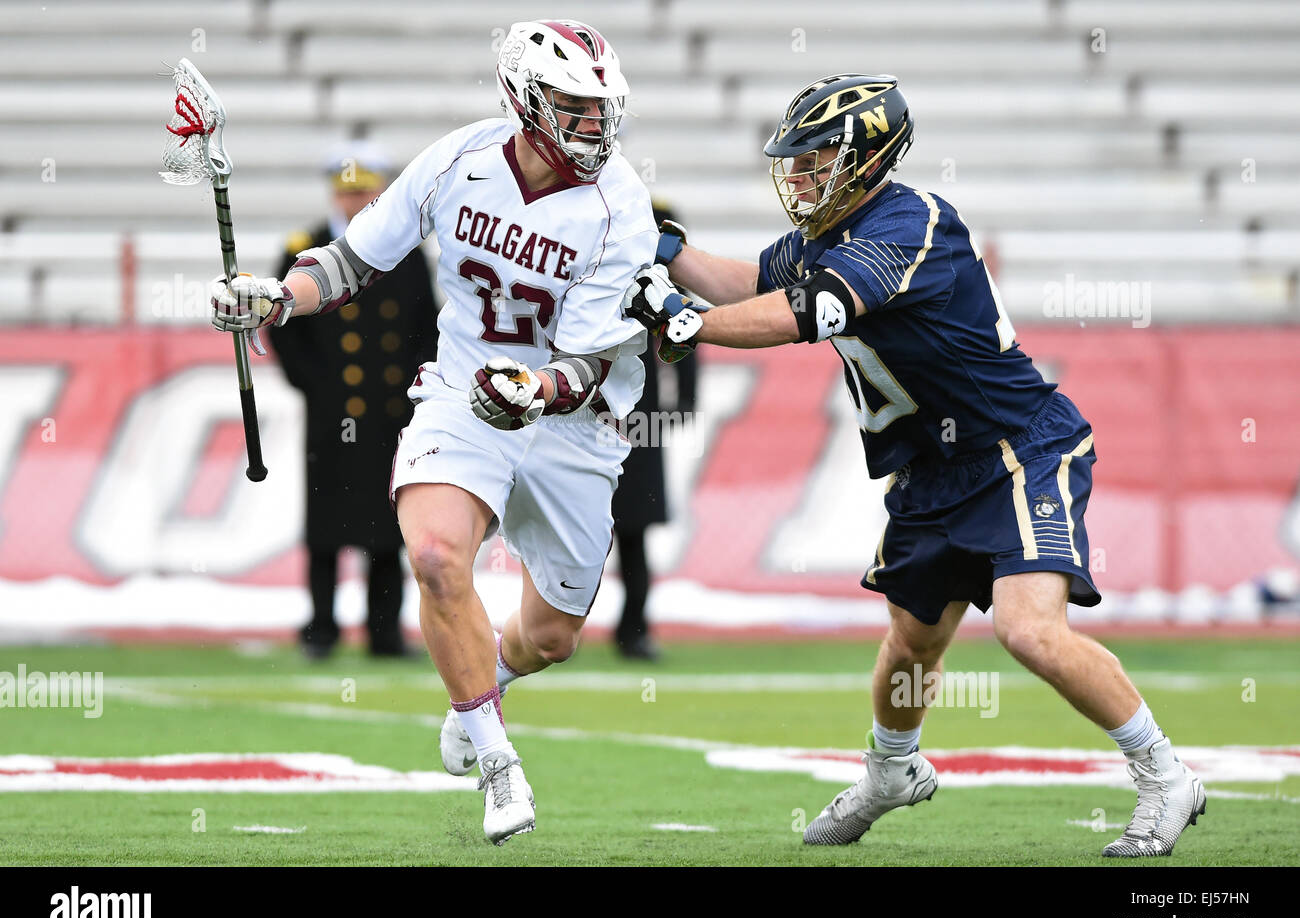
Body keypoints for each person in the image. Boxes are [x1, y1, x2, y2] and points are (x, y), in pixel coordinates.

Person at [622, 74, 1205, 857]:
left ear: (866, 158)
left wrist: (688, 323)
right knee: (911, 643)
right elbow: (756, 282)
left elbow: (802, 312)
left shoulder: (912, 222)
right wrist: (669, 250)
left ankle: (1165, 774)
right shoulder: (828, 234)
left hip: (1014, 449)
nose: (798, 174)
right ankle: (892, 770)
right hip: (931, 470)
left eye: (816, 156)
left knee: (1030, 632)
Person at [211, 19, 656, 846]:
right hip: (462, 389)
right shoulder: (459, 159)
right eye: (573, 105)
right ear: (526, 101)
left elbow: (592, 363)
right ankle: (497, 763)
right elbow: (347, 265)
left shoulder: (620, 205)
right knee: (436, 557)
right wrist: (274, 298)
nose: (595, 123)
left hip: (571, 417)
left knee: (553, 636)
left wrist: (539, 387)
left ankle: (490, 681)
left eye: (602, 107)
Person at [269, 141, 440, 660]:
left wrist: (413, 389)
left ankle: (384, 632)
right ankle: (321, 627)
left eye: (365, 191)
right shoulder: (306, 249)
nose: (354, 201)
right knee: (325, 524)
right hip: (333, 411)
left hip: (390, 413)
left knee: (388, 527)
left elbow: (423, 328)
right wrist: (314, 385)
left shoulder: (405, 254)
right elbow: (283, 325)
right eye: (347, 192)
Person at [610, 200, 697, 661]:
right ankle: (559, 626)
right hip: (578, 403)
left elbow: (684, 323)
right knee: (569, 524)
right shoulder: (576, 232)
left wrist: (683, 399)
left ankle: (634, 628)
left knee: (633, 528)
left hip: (636, 408)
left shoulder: (650, 241)